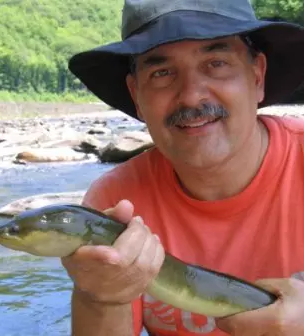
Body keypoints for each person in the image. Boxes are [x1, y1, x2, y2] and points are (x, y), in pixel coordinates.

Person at [62, 0, 304, 335]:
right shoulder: (116, 201)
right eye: (161, 72)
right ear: (136, 95)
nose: (190, 96)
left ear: (257, 75)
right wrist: (100, 298)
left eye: (216, 63)